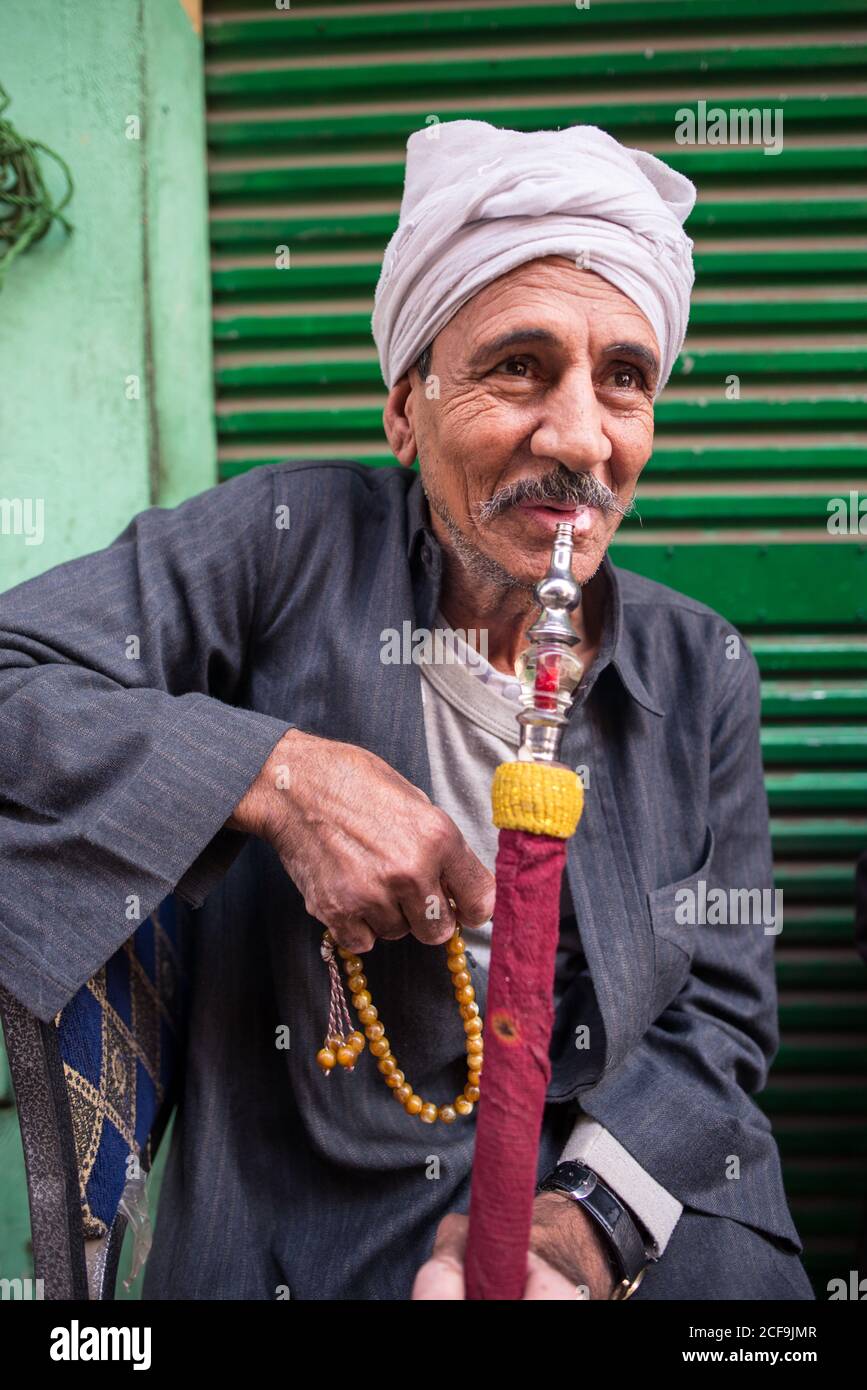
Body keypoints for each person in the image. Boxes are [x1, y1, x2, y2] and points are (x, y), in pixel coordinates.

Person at [0, 120, 813, 1300]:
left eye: (623, 378)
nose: (580, 436)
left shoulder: (701, 671)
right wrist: (280, 777)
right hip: (322, 1213)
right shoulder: (280, 548)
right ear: (404, 408)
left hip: (635, 1203)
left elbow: (725, 1012)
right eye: (519, 366)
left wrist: (580, 1228)